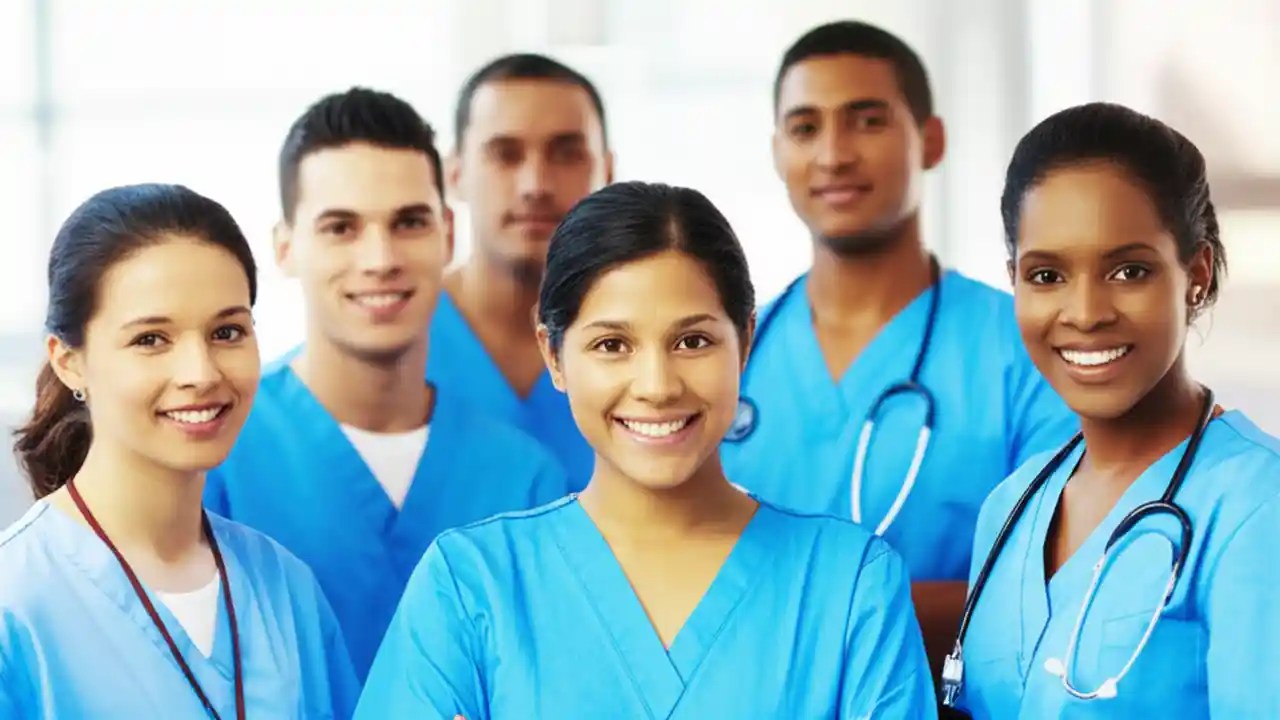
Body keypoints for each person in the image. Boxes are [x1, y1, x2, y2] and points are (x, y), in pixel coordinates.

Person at [354, 181, 938, 719]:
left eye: (693, 341)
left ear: (746, 341)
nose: (657, 385)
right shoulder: (469, 584)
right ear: (554, 356)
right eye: (612, 344)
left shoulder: (848, 581)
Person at [719, 20, 1077, 673]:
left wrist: (803, 616)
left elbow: (1057, 587)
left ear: (930, 140)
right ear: (777, 152)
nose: (833, 155)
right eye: (805, 128)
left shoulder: (1026, 346)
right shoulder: (721, 351)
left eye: (867, 120)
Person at [204, 88, 571, 683]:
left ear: (448, 232)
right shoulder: (221, 456)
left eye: (409, 222)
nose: (380, 259)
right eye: (341, 227)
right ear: (285, 246)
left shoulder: (524, 477)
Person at [942, 102, 1280, 718]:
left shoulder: (1258, 506)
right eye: (1046, 275)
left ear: (1195, 275)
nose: (1086, 312)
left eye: (1129, 270)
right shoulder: (1009, 508)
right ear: (1013, 281)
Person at [0, 184, 358, 718]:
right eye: (151, 339)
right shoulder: (16, 602)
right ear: (69, 360)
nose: (201, 373)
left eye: (227, 331)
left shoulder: (284, 589)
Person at [428, 53, 615, 490]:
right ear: (454, 174)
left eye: (567, 153)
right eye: (504, 154)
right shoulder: (391, 341)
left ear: (606, 170)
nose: (535, 184)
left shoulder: (650, 346)